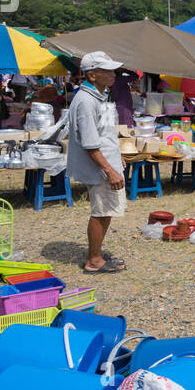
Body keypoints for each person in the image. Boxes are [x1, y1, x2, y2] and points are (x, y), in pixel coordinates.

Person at [67, 52, 127, 274]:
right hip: (100, 168)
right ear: (92, 75)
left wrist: (116, 156)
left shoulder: (98, 96)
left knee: (106, 210)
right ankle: (94, 260)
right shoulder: (86, 101)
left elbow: (103, 133)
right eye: (108, 71)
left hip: (107, 161)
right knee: (101, 211)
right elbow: (90, 144)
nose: (113, 74)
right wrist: (109, 169)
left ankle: (97, 254)